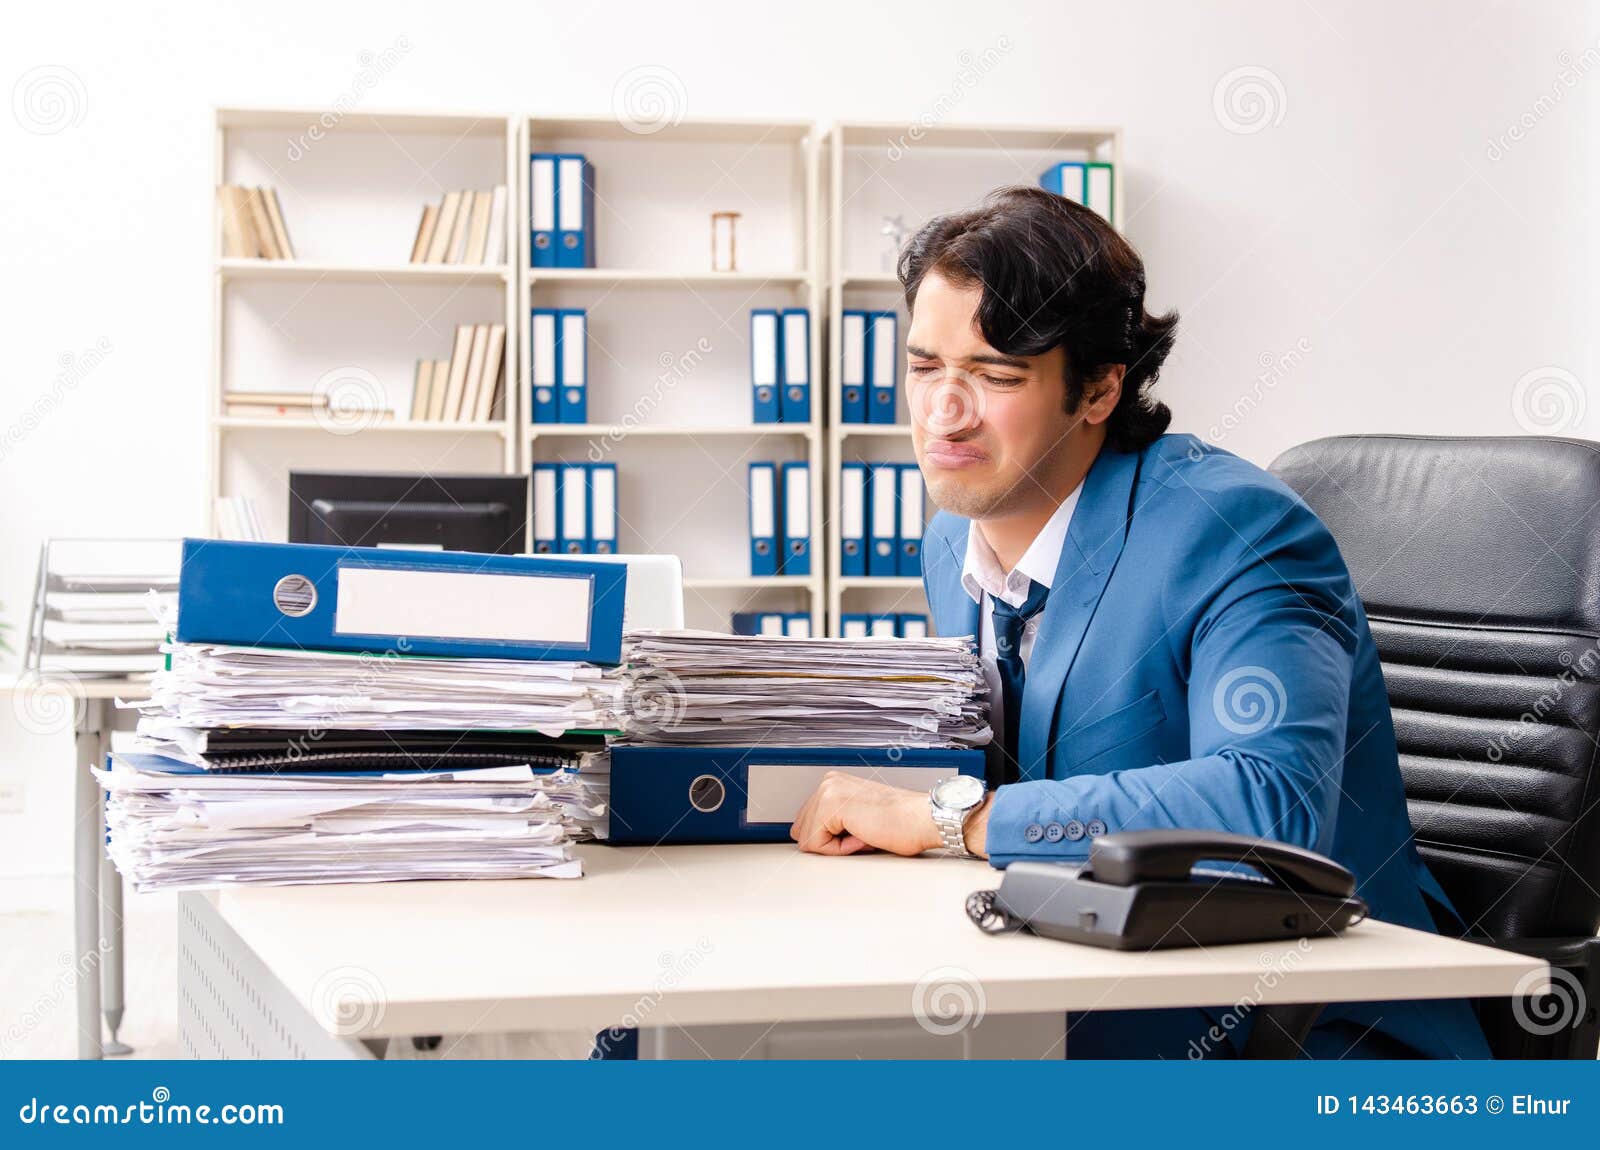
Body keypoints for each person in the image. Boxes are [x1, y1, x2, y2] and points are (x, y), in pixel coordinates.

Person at [789, 185, 1489, 1060]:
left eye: (996, 374)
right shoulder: (950, 543)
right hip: (1060, 968)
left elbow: (1269, 804)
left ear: (1099, 388)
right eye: (926, 367)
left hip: (1296, 1021)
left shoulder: (1234, 531)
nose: (943, 412)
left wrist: (954, 819)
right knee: (669, 1039)